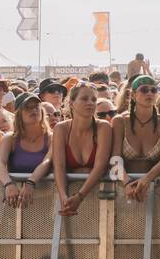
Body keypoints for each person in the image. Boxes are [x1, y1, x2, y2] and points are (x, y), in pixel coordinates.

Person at [40, 83, 111, 216]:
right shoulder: (61, 128)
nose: (90, 103)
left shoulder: (103, 127)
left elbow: (100, 166)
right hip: (69, 198)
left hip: (99, 197)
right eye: (84, 99)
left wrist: (80, 196)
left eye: (94, 100)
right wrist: (63, 198)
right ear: (71, 103)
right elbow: (58, 165)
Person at [112, 74, 160, 201]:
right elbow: (115, 159)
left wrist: (146, 179)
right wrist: (128, 183)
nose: (149, 93)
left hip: (157, 190)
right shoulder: (120, 121)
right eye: (144, 90)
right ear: (133, 95)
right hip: (124, 189)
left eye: (153, 90)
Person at [0, 92, 52, 208]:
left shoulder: (53, 137)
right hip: (14, 200)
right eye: (28, 107)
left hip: (46, 201)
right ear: (18, 113)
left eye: (36, 106)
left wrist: (30, 183)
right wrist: (8, 184)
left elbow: (47, 161)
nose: (34, 110)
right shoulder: (10, 138)